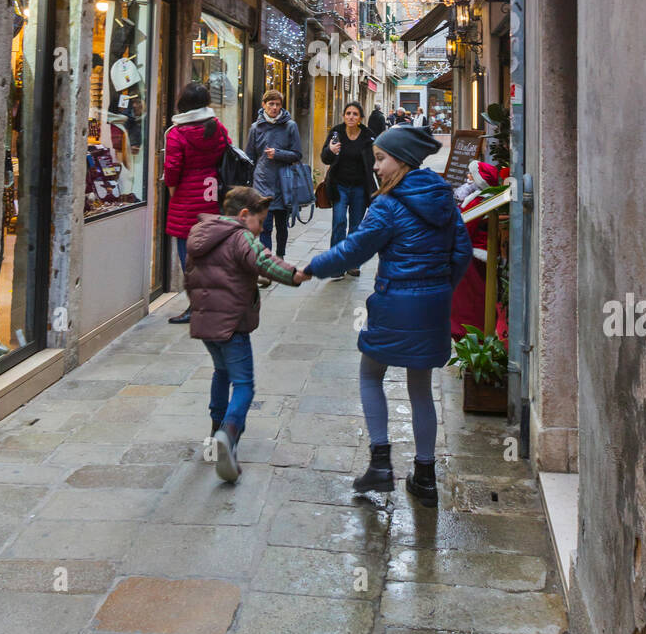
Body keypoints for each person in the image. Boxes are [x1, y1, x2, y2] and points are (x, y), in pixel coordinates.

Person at [302, 125, 473, 507]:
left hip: (394, 302)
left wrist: (311, 268)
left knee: (369, 375)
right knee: (420, 389)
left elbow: (352, 251)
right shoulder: (443, 198)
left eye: (381, 159)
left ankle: (380, 465)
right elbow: (461, 252)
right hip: (431, 306)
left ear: (403, 160)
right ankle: (425, 477)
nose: (375, 167)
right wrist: (440, 288)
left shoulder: (387, 205)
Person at [184, 186, 307, 482]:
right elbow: (264, 260)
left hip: (206, 322)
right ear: (243, 215)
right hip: (232, 323)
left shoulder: (200, 232)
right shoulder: (241, 237)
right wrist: (294, 274)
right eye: (260, 221)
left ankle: (216, 429)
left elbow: (193, 275)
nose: (261, 229)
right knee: (244, 384)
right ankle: (229, 433)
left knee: (220, 372)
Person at [164, 82, 230, 323]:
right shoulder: (218, 128)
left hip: (186, 202)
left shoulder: (177, 133)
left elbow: (172, 171)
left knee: (188, 257)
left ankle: (197, 307)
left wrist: (174, 193)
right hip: (212, 198)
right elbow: (226, 155)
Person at [245, 89, 302, 282]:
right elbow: (249, 157)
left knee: (282, 226)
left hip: (284, 184)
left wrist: (278, 154)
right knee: (265, 227)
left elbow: (297, 154)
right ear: (264, 105)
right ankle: (268, 268)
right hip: (262, 184)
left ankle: (281, 257)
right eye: (271, 104)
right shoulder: (256, 128)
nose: (274, 108)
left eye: (277, 104)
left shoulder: (290, 126)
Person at [320, 102, 377, 279]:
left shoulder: (368, 136)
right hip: (339, 186)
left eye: (355, 114)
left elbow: (376, 162)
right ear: (344, 116)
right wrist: (330, 150)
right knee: (338, 222)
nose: (351, 117)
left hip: (360, 187)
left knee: (356, 226)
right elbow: (325, 158)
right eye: (348, 113)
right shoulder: (336, 132)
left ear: (360, 118)